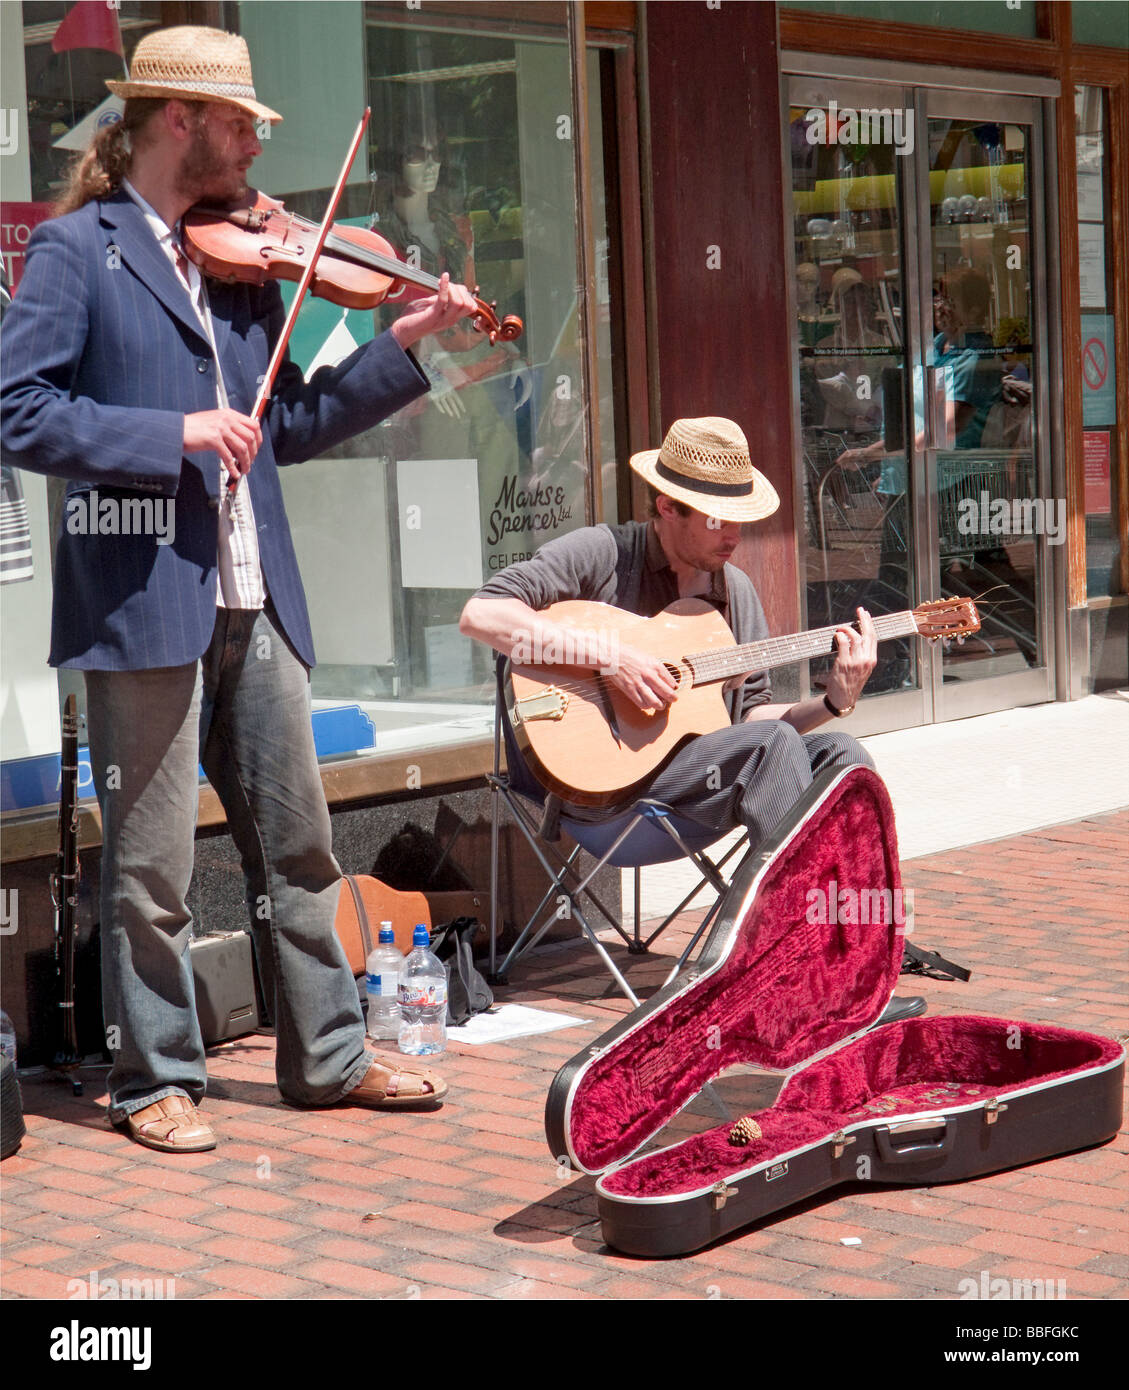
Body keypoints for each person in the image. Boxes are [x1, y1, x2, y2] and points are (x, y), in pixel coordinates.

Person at [0, 26, 484, 1152]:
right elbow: (15, 410)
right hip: (142, 600)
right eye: (241, 126)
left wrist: (401, 345)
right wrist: (167, 431)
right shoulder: (80, 251)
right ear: (180, 120)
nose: (259, 151)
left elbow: (288, 428)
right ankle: (153, 1077)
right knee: (155, 868)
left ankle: (329, 1057)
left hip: (256, 598)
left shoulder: (242, 261)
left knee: (300, 848)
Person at [460, 417, 924, 1020]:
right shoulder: (602, 553)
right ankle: (782, 969)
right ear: (667, 507)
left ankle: (857, 954)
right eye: (714, 518)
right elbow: (480, 614)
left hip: (698, 785)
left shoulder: (736, 594)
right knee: (773, 747)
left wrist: (834, 700)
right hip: (605, 797)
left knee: (841, 754)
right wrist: (611, 656)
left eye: (738, 518)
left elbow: (755, 713)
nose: (732, 534)